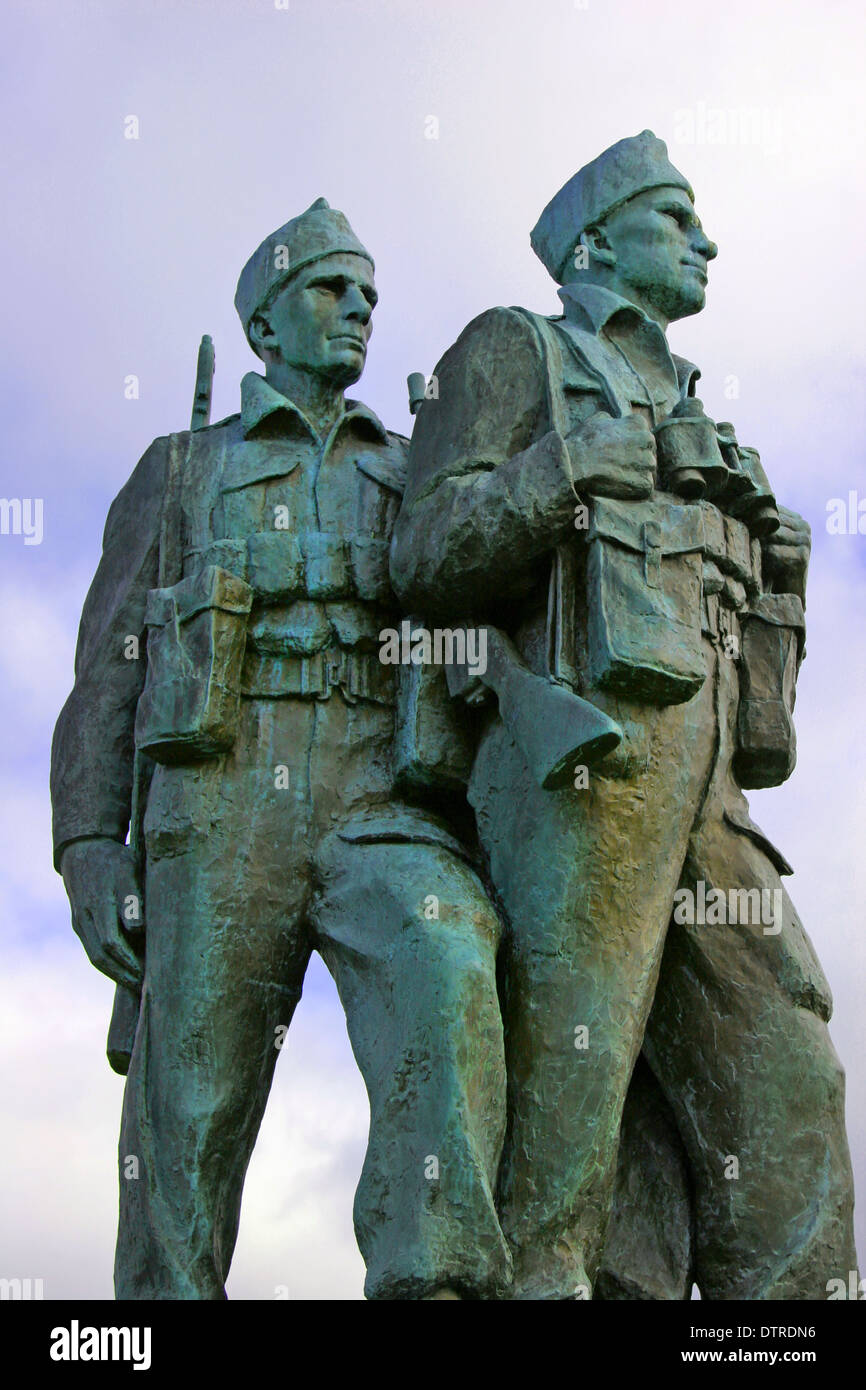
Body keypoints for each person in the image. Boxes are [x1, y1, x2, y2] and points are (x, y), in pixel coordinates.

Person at [391, 133, 858, 1299]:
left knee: (784, 1060)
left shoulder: (700, 406)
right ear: (596, 242)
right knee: (568, 1098)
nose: (704, 242)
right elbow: (421, 557)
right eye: (675, 219)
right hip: (584, 754)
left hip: (710, 783)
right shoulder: (515, 349)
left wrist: (780, 585)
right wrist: (555, 471)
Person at [51, 200, 513, 1301]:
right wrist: (85, 844)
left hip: (379, 795)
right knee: (190, 1102)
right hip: (217, 800)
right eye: (327, 288)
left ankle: (435, 1277)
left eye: (367, 294)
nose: (356, 309)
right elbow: (107, 671)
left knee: (444, 956)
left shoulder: (415, 468)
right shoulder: (178, 468)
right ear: (262, 324)